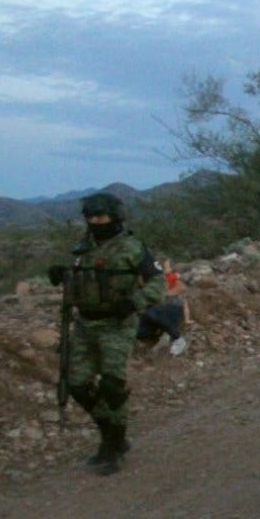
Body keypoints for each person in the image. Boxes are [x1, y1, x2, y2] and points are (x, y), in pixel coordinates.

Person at [60, 192, 167, 475]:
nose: (96, 221)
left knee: (111, 385)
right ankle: (109, 431)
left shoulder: (131, 247)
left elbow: (158, 282)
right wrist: (64, 276)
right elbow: (83, 279)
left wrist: (135, 302)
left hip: (117, 325)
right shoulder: (83, 248)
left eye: (101, 216)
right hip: (85, 325)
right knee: (78, 385)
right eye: (91, 217)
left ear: (114, 217)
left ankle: (114, 444)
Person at [136, 259, 191, 357]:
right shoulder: (143, 283)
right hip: (154, 314)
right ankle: (160, 333)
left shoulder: (166, 278)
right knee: (139, 330)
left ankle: (178, 339)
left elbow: (182, 288)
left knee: (152, 311)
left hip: (172, 308)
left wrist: (163, 295)